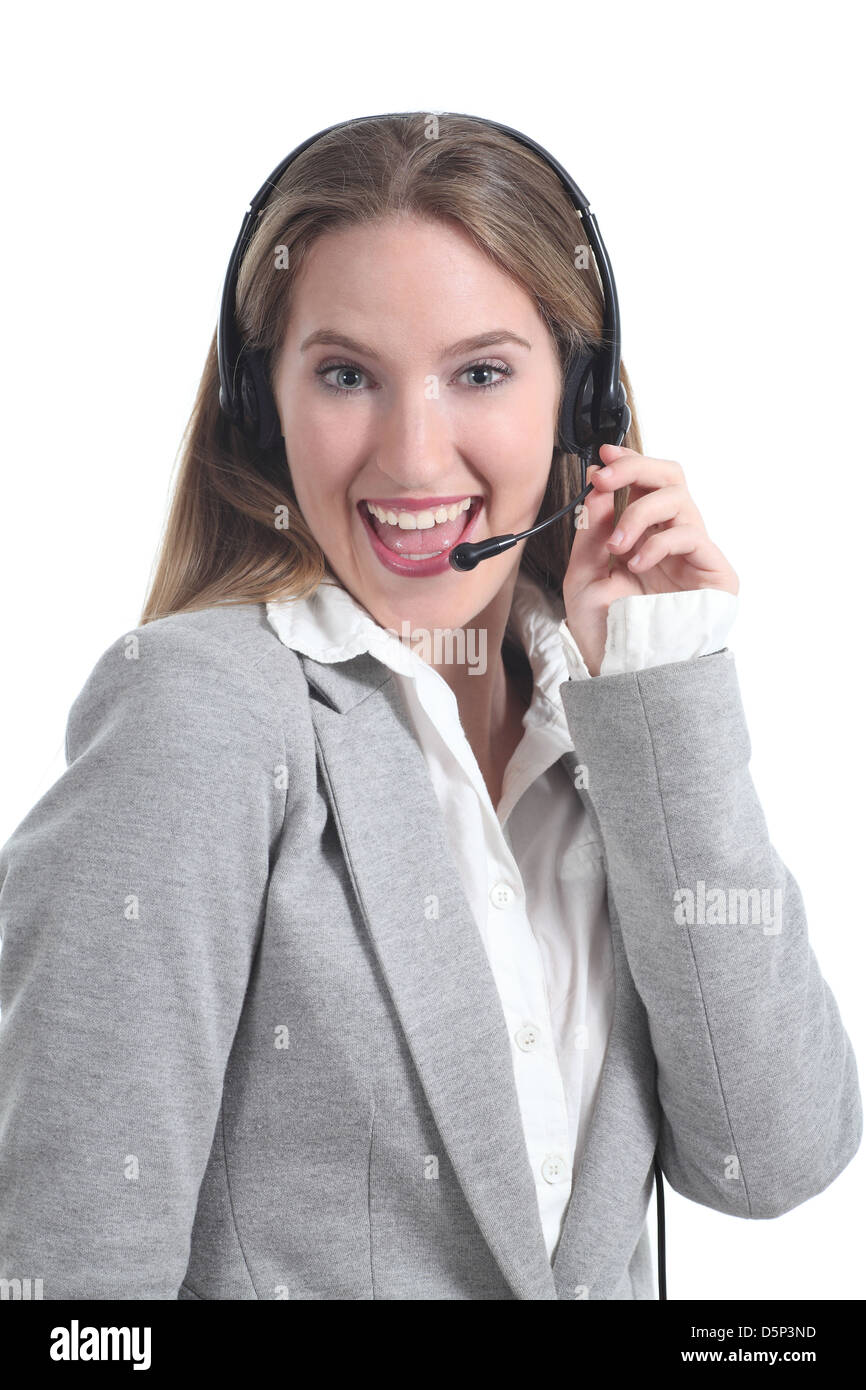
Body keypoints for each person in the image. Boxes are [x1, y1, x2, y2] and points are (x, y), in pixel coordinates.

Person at [0, 112, 860, 1301]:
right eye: (346, 374)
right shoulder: (199, 712)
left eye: (480, 372)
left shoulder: (608, 724)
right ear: (263, 405)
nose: (412, 458)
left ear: (582, 401)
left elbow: (768, 1158)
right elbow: (71, 1286)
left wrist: (660, 694)